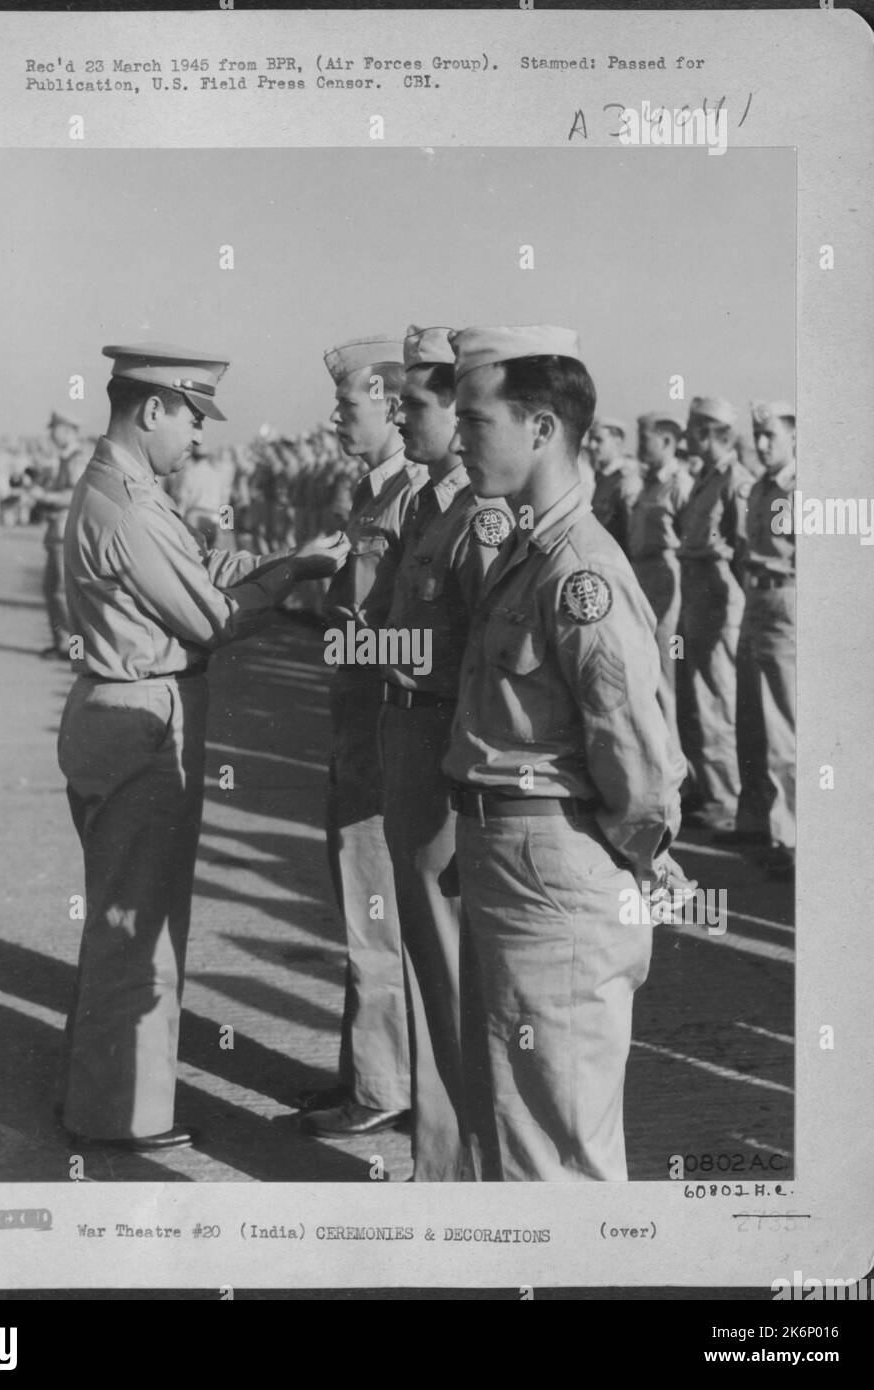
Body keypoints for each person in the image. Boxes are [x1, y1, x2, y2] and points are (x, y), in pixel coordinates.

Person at [56, 343, 348, 1151]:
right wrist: (295, 573)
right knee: (137, 929)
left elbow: (191, 574)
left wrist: (273, 563)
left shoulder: (123, 490)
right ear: (152, 408)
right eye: (189, 417)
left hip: (114, 710)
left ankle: (102, 1099)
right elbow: (212, 618)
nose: (195, 438)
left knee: (123, 917)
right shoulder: (129, 505)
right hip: (141, 714)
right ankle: (121, 1117)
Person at [442, 323, 688, 1181]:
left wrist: (630, 856)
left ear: (540, 428)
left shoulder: (578, 570)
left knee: (561, 1152)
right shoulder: (526, 548)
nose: (458, 439)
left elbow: (637, 757)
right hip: (508, 854)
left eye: (474, 421)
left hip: (555, 866)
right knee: (517, 1133)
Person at [377, 325, 509, 1179]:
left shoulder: (479, 516)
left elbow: (493, 663)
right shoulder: (426, 505)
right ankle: (440, 1164)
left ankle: (469, 1170)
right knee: (428, 963)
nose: (401, 418)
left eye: (415, 404)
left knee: (457, 976)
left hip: (441, 750)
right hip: (404, 737)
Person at [300, 335, 427, 1138]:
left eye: (348, 406)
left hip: (384, 739)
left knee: (375, 919)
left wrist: (334, 631)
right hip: (357, 730)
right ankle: (369, 1072)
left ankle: (383, 1090)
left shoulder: (412, 499)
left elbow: (418, 643)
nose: (336, 418)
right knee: (364, 912)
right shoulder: (372, 495)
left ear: (387, 402)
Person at [715, 401, 796, 879]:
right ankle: (754, 820)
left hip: (785, 603)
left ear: (794, 439)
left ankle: (788, 839)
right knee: (748, 716)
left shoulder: (799, 491)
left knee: (782, 727)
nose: (761, 443)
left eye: (770, 435)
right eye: (757, 434)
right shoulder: (762, 488)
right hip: (754, 599)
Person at [676, 396, 751, 830]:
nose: (689, 437)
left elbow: (742, 549)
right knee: (696, 696)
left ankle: (724, 797)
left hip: (718, 595)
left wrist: (734, 612)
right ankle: (709, 788)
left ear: (709, 433)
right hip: (696, 590)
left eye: (694, 429)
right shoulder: (707, 477)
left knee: (715, 698)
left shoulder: (734, 480)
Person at [628, 411, 694, 747]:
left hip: (667, 582)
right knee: (648, 674)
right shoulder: (650, 482)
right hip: (644, 579)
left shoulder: (679, 484)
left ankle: (673, 763)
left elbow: (690, 537)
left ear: (667, 442)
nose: (639, 445)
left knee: (665, 676)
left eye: (645, 438)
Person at [32, 410, 87, 658]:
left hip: (67, 530)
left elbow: (74, 495)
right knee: (52, 590)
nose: (51, 434)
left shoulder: (77, 459)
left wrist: (43, 496)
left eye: (54, 429)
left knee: (63, 593)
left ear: (66, 430)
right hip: (58, 530)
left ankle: (73, 648)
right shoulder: (67, 458)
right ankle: (63, 644)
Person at [587, 417, 641, 552]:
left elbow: (632, 533)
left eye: (598, 440)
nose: (592, 446)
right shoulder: (602, 477)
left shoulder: (626, 480)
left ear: (617, 443)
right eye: (590, 439)